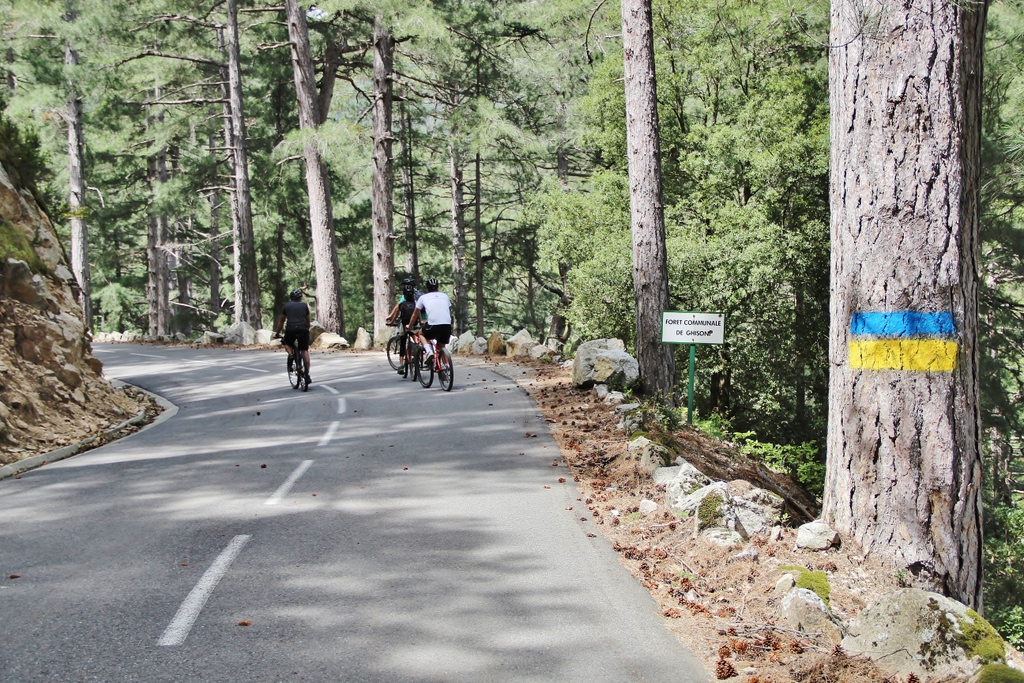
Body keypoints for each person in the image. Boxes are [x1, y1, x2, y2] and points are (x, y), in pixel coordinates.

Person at [406, 277, 451, 362]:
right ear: (438, 287)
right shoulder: (445, 296)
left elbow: (415, 314)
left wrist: (410, 325)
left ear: (427, 288)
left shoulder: (423, 297)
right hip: (447, 325)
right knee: (442, 345)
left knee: (421, 334)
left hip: (433, 325)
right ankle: (447, 366)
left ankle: (429, 351)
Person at [273, 289, 312, 384]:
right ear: (300, 298)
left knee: (286, 342)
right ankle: (306, 374)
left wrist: (277, 333)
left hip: (291, 329)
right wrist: (306, 329)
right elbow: (307, 320)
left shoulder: (286, 306)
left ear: (291, 298)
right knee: (305, 350)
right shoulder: (304, 306)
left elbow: (281, 321)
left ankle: (291, 356)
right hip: (303, 329)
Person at [385, 280, 420, 374]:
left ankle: (401, 365)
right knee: (415, 336)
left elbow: (397, 312)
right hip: (415, 325)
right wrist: (421, 322)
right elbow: (418, 314)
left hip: (405, 325)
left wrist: (391, 321)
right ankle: (418, 350)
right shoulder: (417, 302)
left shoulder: (402, 304)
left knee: (403, 342)